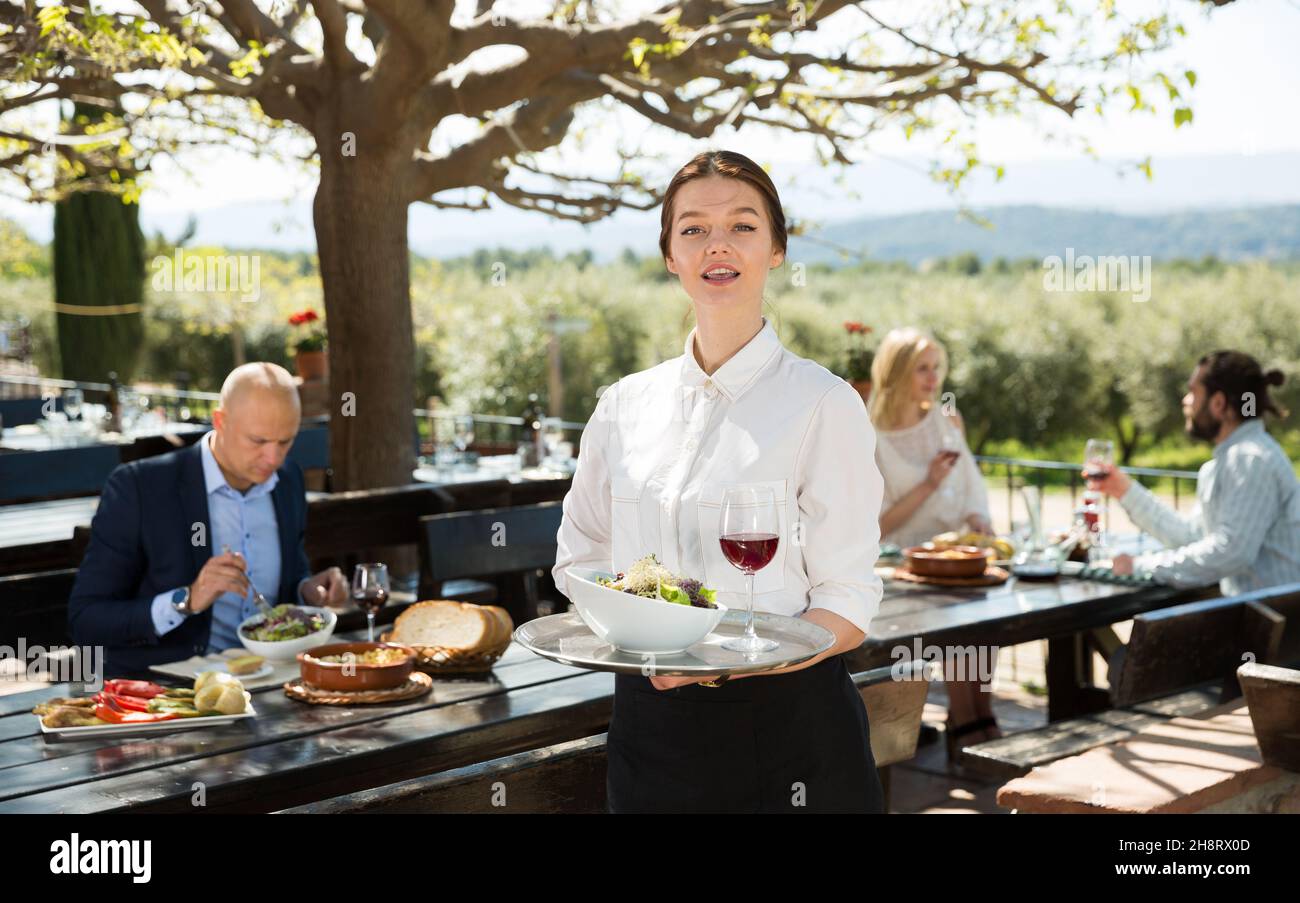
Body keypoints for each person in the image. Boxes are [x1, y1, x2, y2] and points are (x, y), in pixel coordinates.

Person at [552, 150, 887, 813]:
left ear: (777, 249)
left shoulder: (824, 403)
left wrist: (731, 660)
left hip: (791, 732)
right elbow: (580, 559)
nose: (717, 245)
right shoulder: (622, 405)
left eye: (742, 225)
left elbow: (848, 600)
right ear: (670, 255)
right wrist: (635, 634)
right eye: (693, 228)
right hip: (651, 732)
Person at [69, 362, 348, 676]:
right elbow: (86, 620)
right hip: (170, 691)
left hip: (272, 681)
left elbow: (291, 574)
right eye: (258, 441)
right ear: (220, 421)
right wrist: (186, 600)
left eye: (285, 441)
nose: (274, 459)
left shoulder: (288, 480)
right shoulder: (139, 488)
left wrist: (306, 590)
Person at [868, 327, 1000, 757]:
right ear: (898, 371)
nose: (932, 378)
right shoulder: (870, 436)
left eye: (935, 368)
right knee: (960, 620)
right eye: (921, 368)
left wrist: (978, 518)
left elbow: (971, 487)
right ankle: (970, 726)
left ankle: (976, 717)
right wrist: (928, 484)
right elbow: (878, 527)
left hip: (956, 556)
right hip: (903, 570)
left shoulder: (948, 421)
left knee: (981, 617)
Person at [1089, 351, 1300, 594]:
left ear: (1218, 403)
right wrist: (1123, 489)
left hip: (1278, 627)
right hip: (1259, 620)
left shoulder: (1248, 459)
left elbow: (1231, 552)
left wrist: (1139, 566)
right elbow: (1192, 537)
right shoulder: (1232, 460)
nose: (1186, 401)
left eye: (1193, 392)